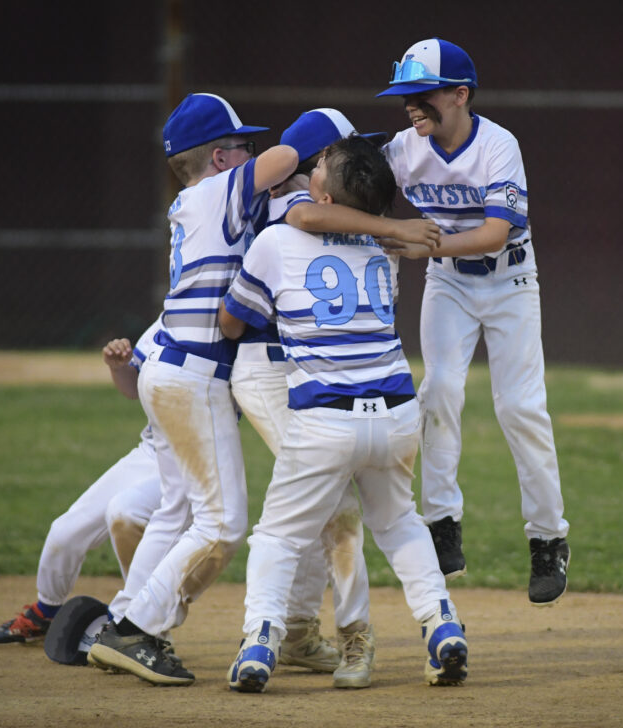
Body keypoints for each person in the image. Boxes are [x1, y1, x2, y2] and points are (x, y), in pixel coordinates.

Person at [219, 136, 468, 693]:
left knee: (279, 536)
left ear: (327, 195)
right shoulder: (387, 245)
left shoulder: (277, 241)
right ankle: (441, 624)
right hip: (398, 412)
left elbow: (233, 322)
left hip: (326, 418)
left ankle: (260, 641)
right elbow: (337, 223)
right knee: (399, 522)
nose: (313, 168)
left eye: (320, 166)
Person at [85, 93, 301, 686]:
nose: (253, 151)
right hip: (194, 376)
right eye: (243, 145)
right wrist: (321, 133)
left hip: (172, 367)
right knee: (223, 524)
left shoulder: (199, 201)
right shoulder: (214, 192)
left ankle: (124, 619)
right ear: (220, 156)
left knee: (176, 511)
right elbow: (284, 157)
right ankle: (140, 632)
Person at [376, 39, 571, 606]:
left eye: (422, 94)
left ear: (460, 95)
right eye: (405, 96)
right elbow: (357, 181)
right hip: (450, 284)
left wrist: (417, 246)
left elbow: (495, 233)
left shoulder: (497, 146)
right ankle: (441, 525)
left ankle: (548, 538)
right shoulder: (403, 150)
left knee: (521, 407)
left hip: (510, 282)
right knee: (438, 389)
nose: (411, 106)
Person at [227, 107, 392, 688]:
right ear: (308, 167)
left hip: (303, 374)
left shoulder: (320, 214)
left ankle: (294, 632)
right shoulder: (288, 211)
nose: (346, 169)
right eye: (335, 156)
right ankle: (336, 635)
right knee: (337, 505)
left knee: (320, 505)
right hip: (271, 370)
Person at [0, 321, 165, 648]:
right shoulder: (163, 325)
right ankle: (45, 611)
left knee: (126, 518)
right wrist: (118, 366)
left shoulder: (217, 333)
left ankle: (143, 627)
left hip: (194, 460)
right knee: (64, 532)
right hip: (150, 452)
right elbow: (132, 389)